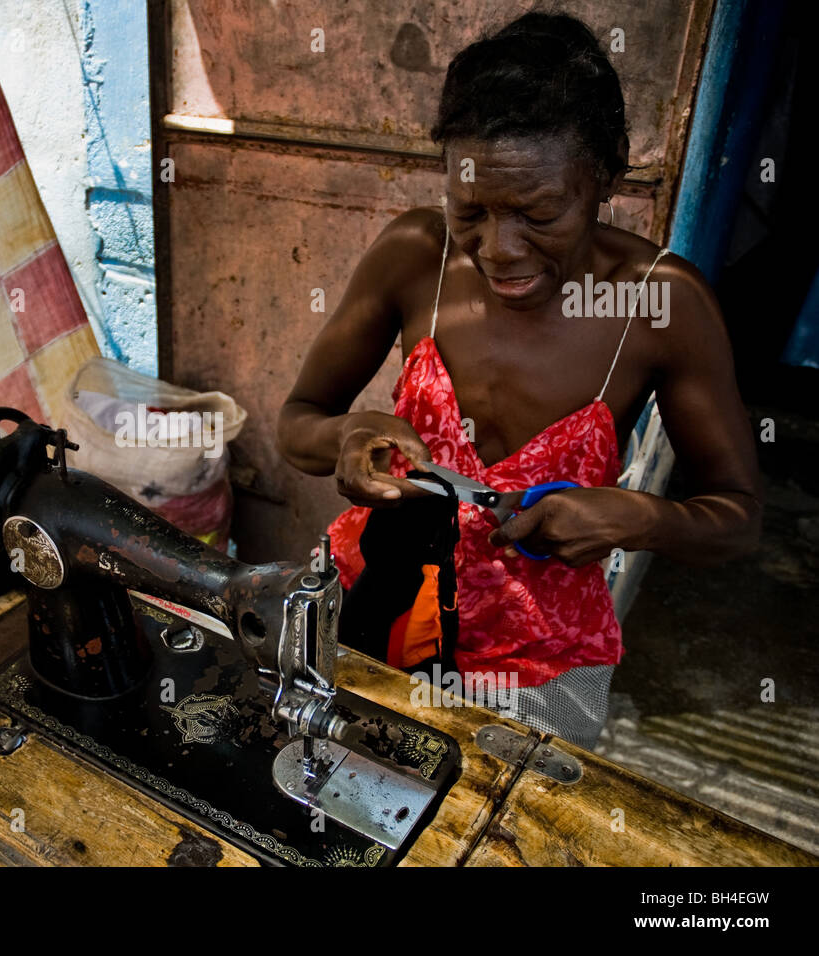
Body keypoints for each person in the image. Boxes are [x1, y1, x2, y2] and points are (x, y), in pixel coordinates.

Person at [276, 12, 762, 749]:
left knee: (506, 841)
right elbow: (298, 421)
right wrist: (344, 437)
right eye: (468, 210)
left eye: (539, 213)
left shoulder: (662, 305)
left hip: (539, 668)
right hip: (373, 603)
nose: (498, 250)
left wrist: (636, 518)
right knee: (336, 789)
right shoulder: (415, 256)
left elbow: (736, 518)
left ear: (603, 180)